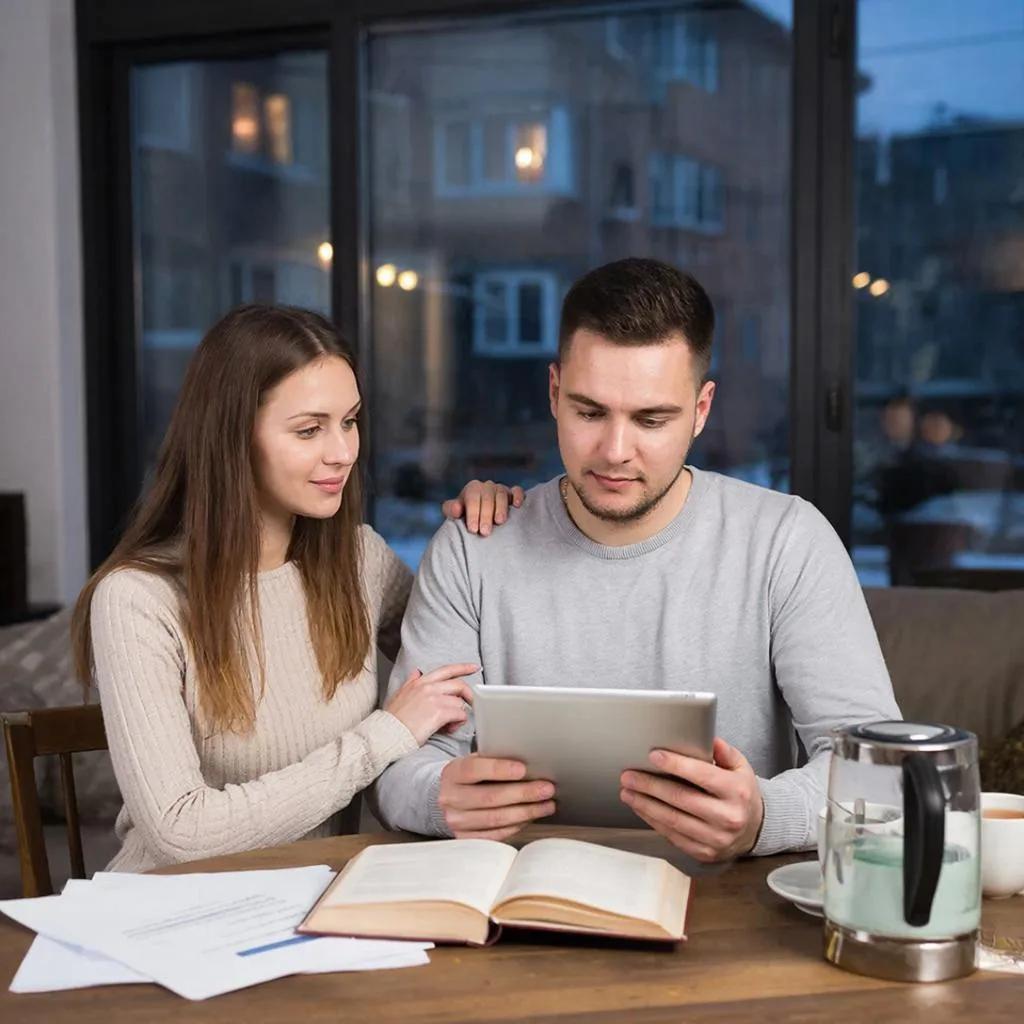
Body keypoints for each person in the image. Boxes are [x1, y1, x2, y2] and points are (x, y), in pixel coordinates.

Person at [372, 258, 901, 863]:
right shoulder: (473, 547)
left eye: (652, 420)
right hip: (517, 906)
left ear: (701, 410)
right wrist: (438, 797)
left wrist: (762, 818)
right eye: (590, 412)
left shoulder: (787, 541)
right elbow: (399, 771)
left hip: (730, 915)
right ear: (553, 393)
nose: (614, 451)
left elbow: (877, 767)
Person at [70, 304, 521, 871]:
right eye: (309, 429)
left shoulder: (360, 561)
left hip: (314, 905)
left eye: (349, 421)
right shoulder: (139, 599)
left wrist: (494, 532)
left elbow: (479, 650)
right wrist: (384, 736)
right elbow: (180, 833)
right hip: (171, 917)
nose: (342, 452)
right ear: (233, 437)